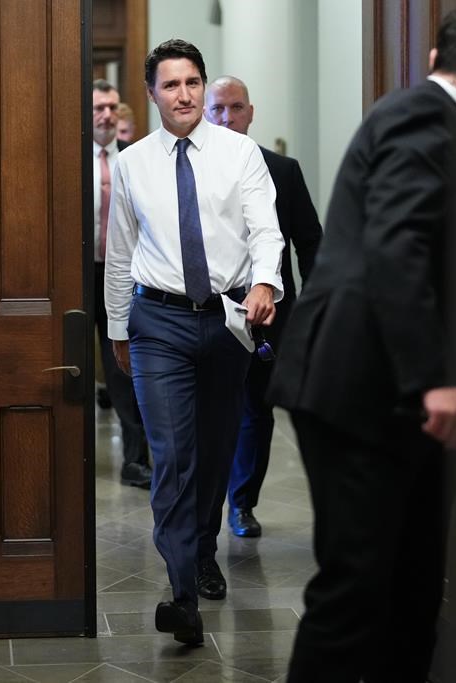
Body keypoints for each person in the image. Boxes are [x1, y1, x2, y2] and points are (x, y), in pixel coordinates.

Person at [266, 7, 456, 681]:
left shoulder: (444, 119)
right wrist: (431, 377)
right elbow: (396, 247)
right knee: (355, 592)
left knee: (413, 591)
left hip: (393, 395)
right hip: (365, 387)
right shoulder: (426, 115)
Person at [103, 39, 284, 646]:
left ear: (203, 89)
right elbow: (122, 256)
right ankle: (181, 590)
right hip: (159, 323)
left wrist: (266, 282)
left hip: (229, 320)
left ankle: (203, 546)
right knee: (173, 454)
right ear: (151, 93)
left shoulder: (241, 155)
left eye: (192, 83)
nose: (183, 94)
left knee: (213, 449)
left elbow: (267, 230)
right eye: (170, 84)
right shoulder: (132, 164)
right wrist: (118, 328)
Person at [204, 76, 322, 538]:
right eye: (218, 109)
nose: (227, 118)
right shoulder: (191, 171)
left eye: (236, 108)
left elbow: (311, 243)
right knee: (211, 412)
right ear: (205, 113)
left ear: (251, 112)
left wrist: (310, 310)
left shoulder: (283, 172)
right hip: (209, 312)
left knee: (256, 410)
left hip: (269, 316)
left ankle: (242, 504)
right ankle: (205, 504)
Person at [92, 79, 151, 489]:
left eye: (112, 107)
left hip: (125, 276)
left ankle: (135, 460)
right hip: (78, 275)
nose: (107, 115)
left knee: (124, 368)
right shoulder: (69, 160)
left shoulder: (134, 161)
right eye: (98, 108)